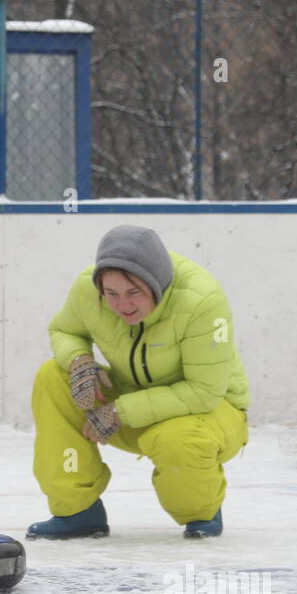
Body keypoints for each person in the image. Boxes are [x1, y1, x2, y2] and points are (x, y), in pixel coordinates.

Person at [28, 225, 249, 539]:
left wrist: (120, 411)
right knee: (52, 376)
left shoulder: (202, 301)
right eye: (112, 294)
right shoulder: (87, 291)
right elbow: (64, 330)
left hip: (208, 412)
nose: (123, 305)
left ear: (157, 283)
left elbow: (204, 393)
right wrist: (79, 361)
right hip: (130, 402)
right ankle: (77, 510)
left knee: (180, 440)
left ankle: (201, 512)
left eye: (134, 293)